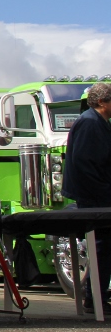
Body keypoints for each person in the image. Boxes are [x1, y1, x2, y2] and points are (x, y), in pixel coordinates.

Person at [63, 82, 111, 313]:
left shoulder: (97, 123)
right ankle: (95, 299)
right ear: (102, 101)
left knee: (103, 248)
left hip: (97, 194)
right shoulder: (90, 123)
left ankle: (97, 297)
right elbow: (84, 164)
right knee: (100, 247)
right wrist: (103, 192)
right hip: (95, 197)